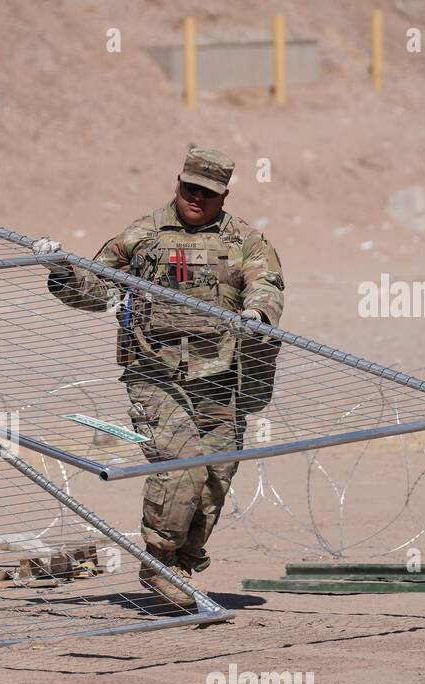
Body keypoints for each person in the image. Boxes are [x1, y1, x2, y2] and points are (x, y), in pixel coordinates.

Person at [38, 147, 285, 608]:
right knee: (180, 466)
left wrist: (258, 313)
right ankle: (159, 562)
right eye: (190, 188)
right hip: (155, 374)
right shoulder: (142, 236)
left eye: (207, 193)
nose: (196, 198)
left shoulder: (246, 240)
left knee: (215, 476)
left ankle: (184, 562)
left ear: (223, 196)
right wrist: (64, 273)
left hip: (220, 376)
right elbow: (98, 289)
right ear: (177, 183)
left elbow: (266, 283)